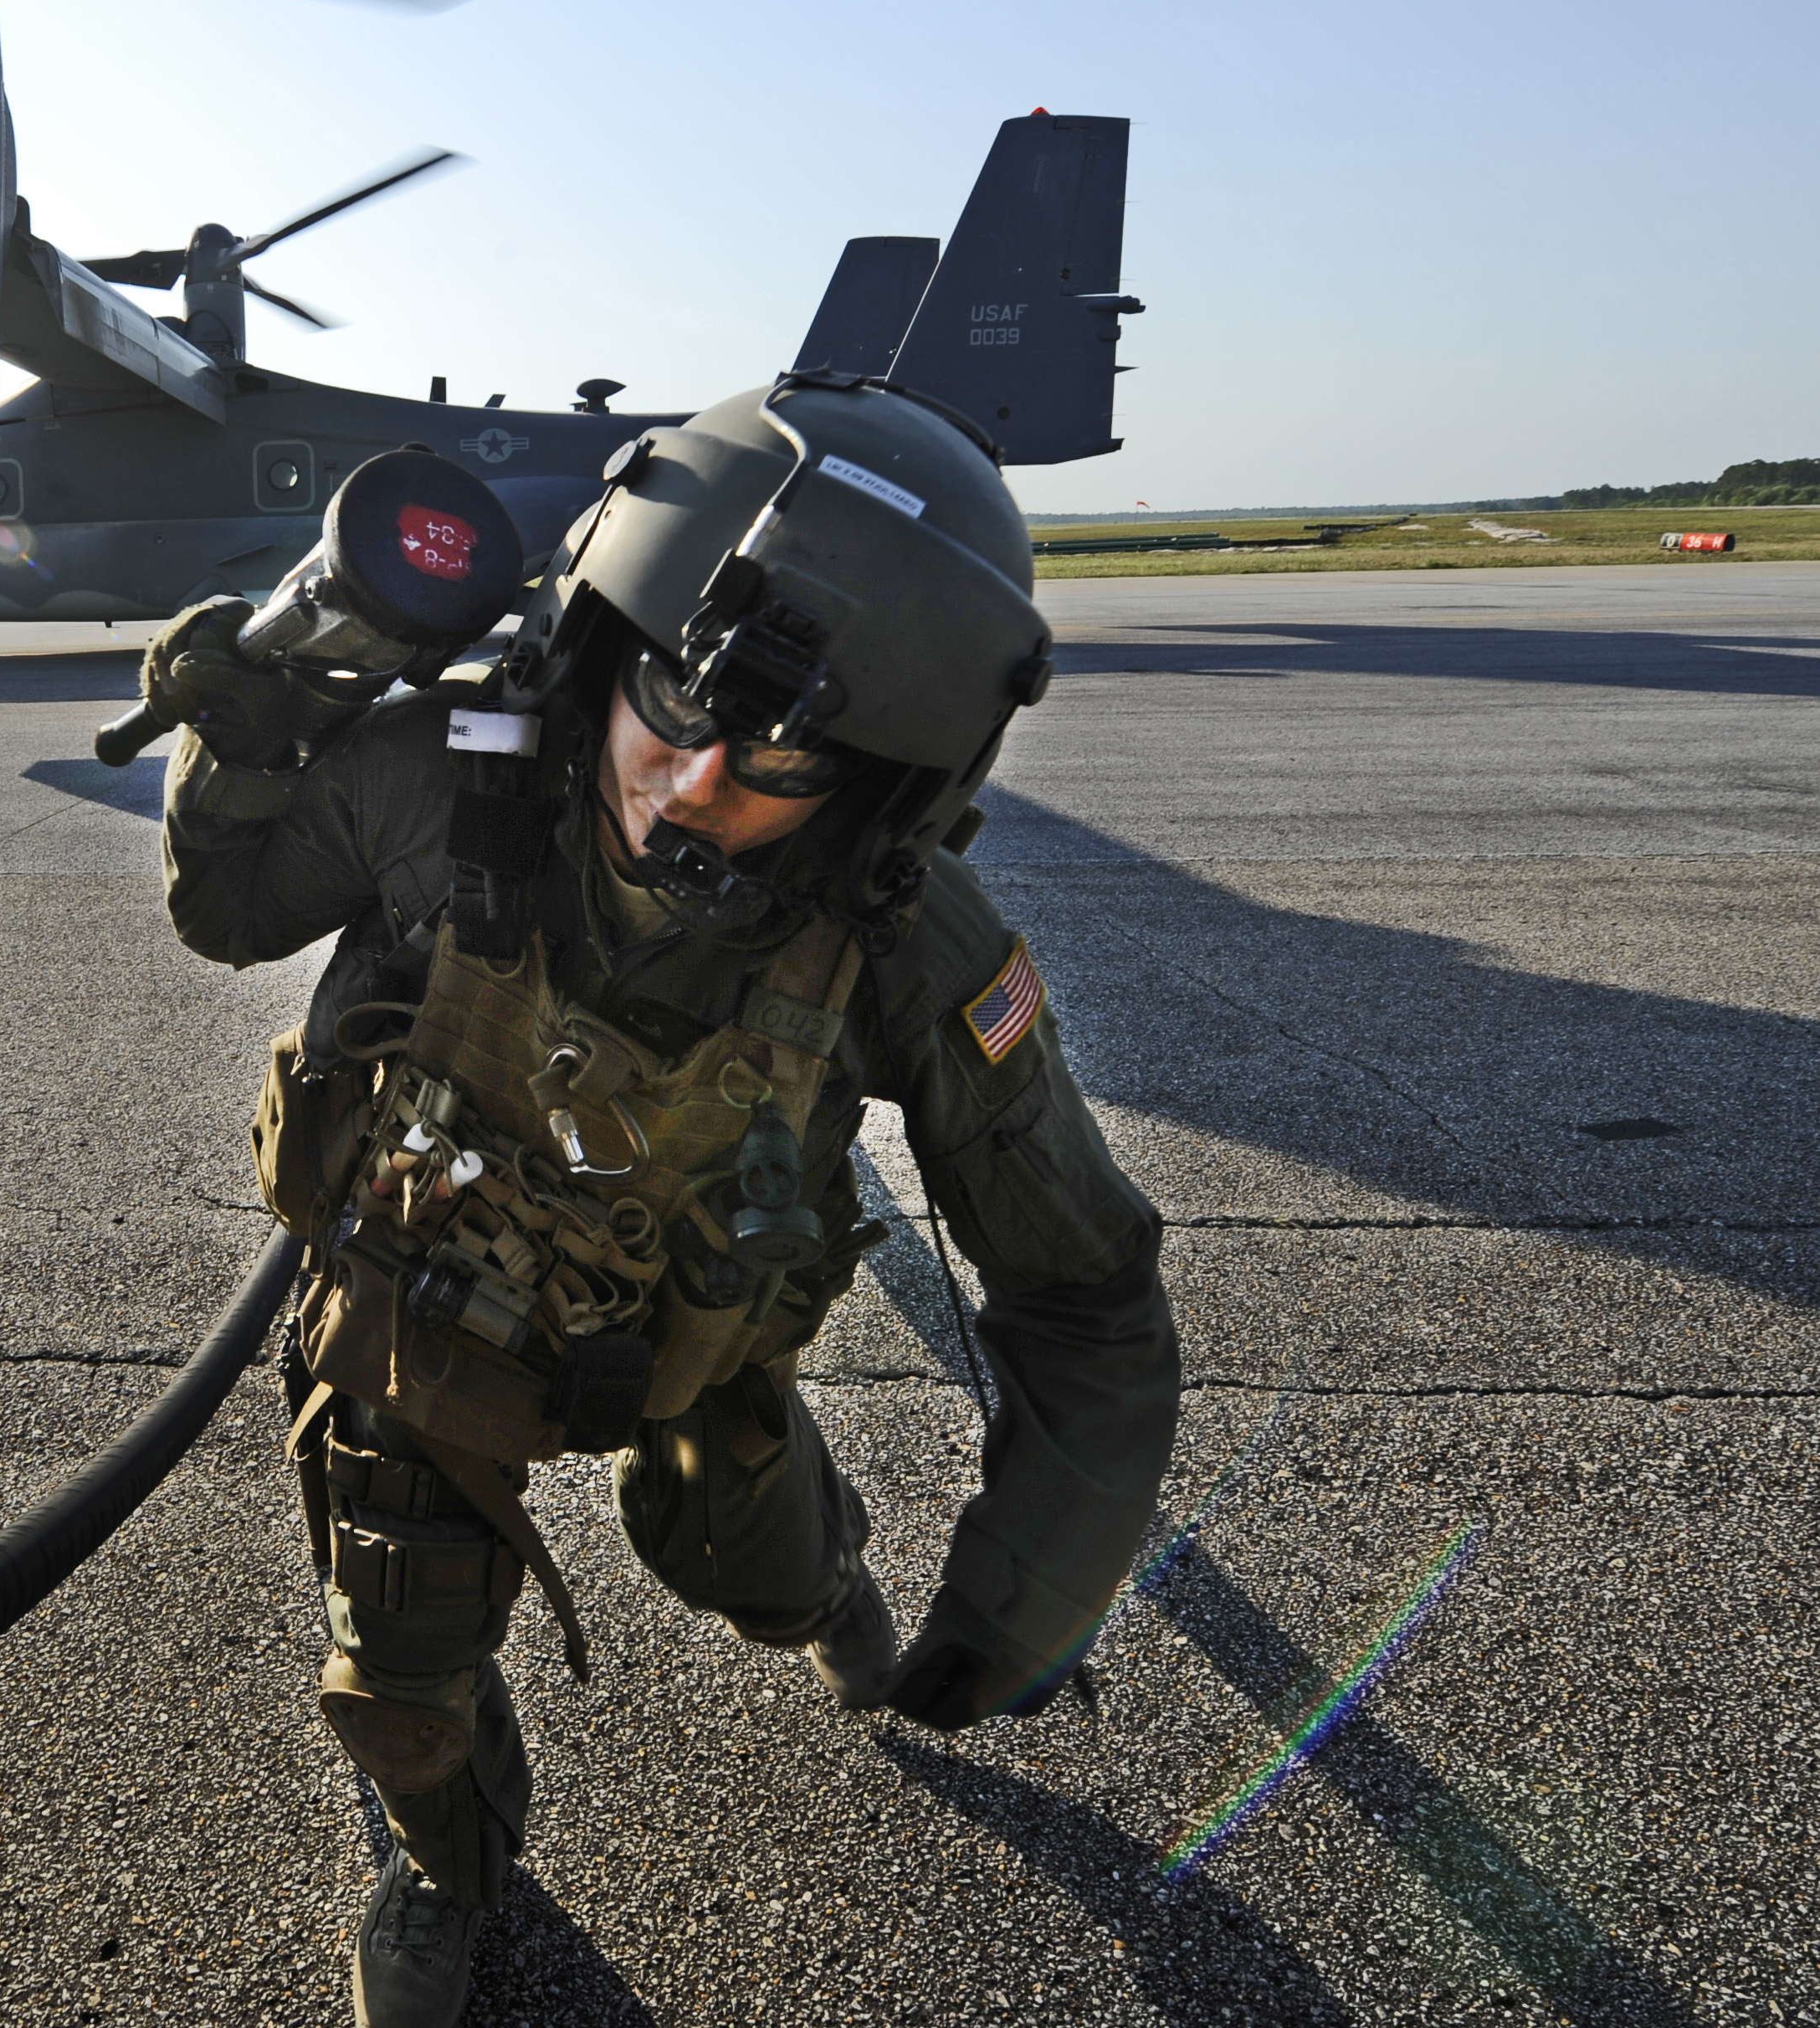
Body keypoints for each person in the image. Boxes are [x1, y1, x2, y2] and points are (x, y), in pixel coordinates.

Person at [138, 384, 1182, 2027]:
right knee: (400, 1669)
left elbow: (1086, 1292)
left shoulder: (908, 943)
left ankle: (825, 1593)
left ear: (876, 784)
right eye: (676, 699)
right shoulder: (439, 781)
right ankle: (446, 1868)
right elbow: (226, 909)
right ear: (609, 637)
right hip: (418, 1315)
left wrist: (1019, 1606)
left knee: (752, 1563)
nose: (689, 783)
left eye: (778, 757)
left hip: (691, 1334)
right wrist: (247, 729)